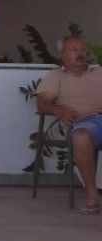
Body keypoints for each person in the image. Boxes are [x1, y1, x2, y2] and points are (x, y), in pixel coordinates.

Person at [37, 36, 102, 215]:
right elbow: (42, 103)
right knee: (81, 137)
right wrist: (57, 110)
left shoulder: (99, 72)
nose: (80, 53)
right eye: (74, 50)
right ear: (63, 54)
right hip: (85, 123)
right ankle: (92, 195)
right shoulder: (57, 76)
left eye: (82, 49)